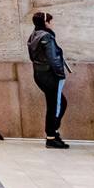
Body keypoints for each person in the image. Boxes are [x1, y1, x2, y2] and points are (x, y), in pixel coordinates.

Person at [28, 12, 70, 149]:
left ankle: (53, 133)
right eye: (51, 21)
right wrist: (60, 74)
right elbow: (53, 58)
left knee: (56, 103)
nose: (52, 24)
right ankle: (51, 136)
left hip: (39, 74)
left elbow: (32, 57)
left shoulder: (33, 36)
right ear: (46, 23)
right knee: (56, 105)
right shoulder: (47, 36)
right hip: (50, 75)